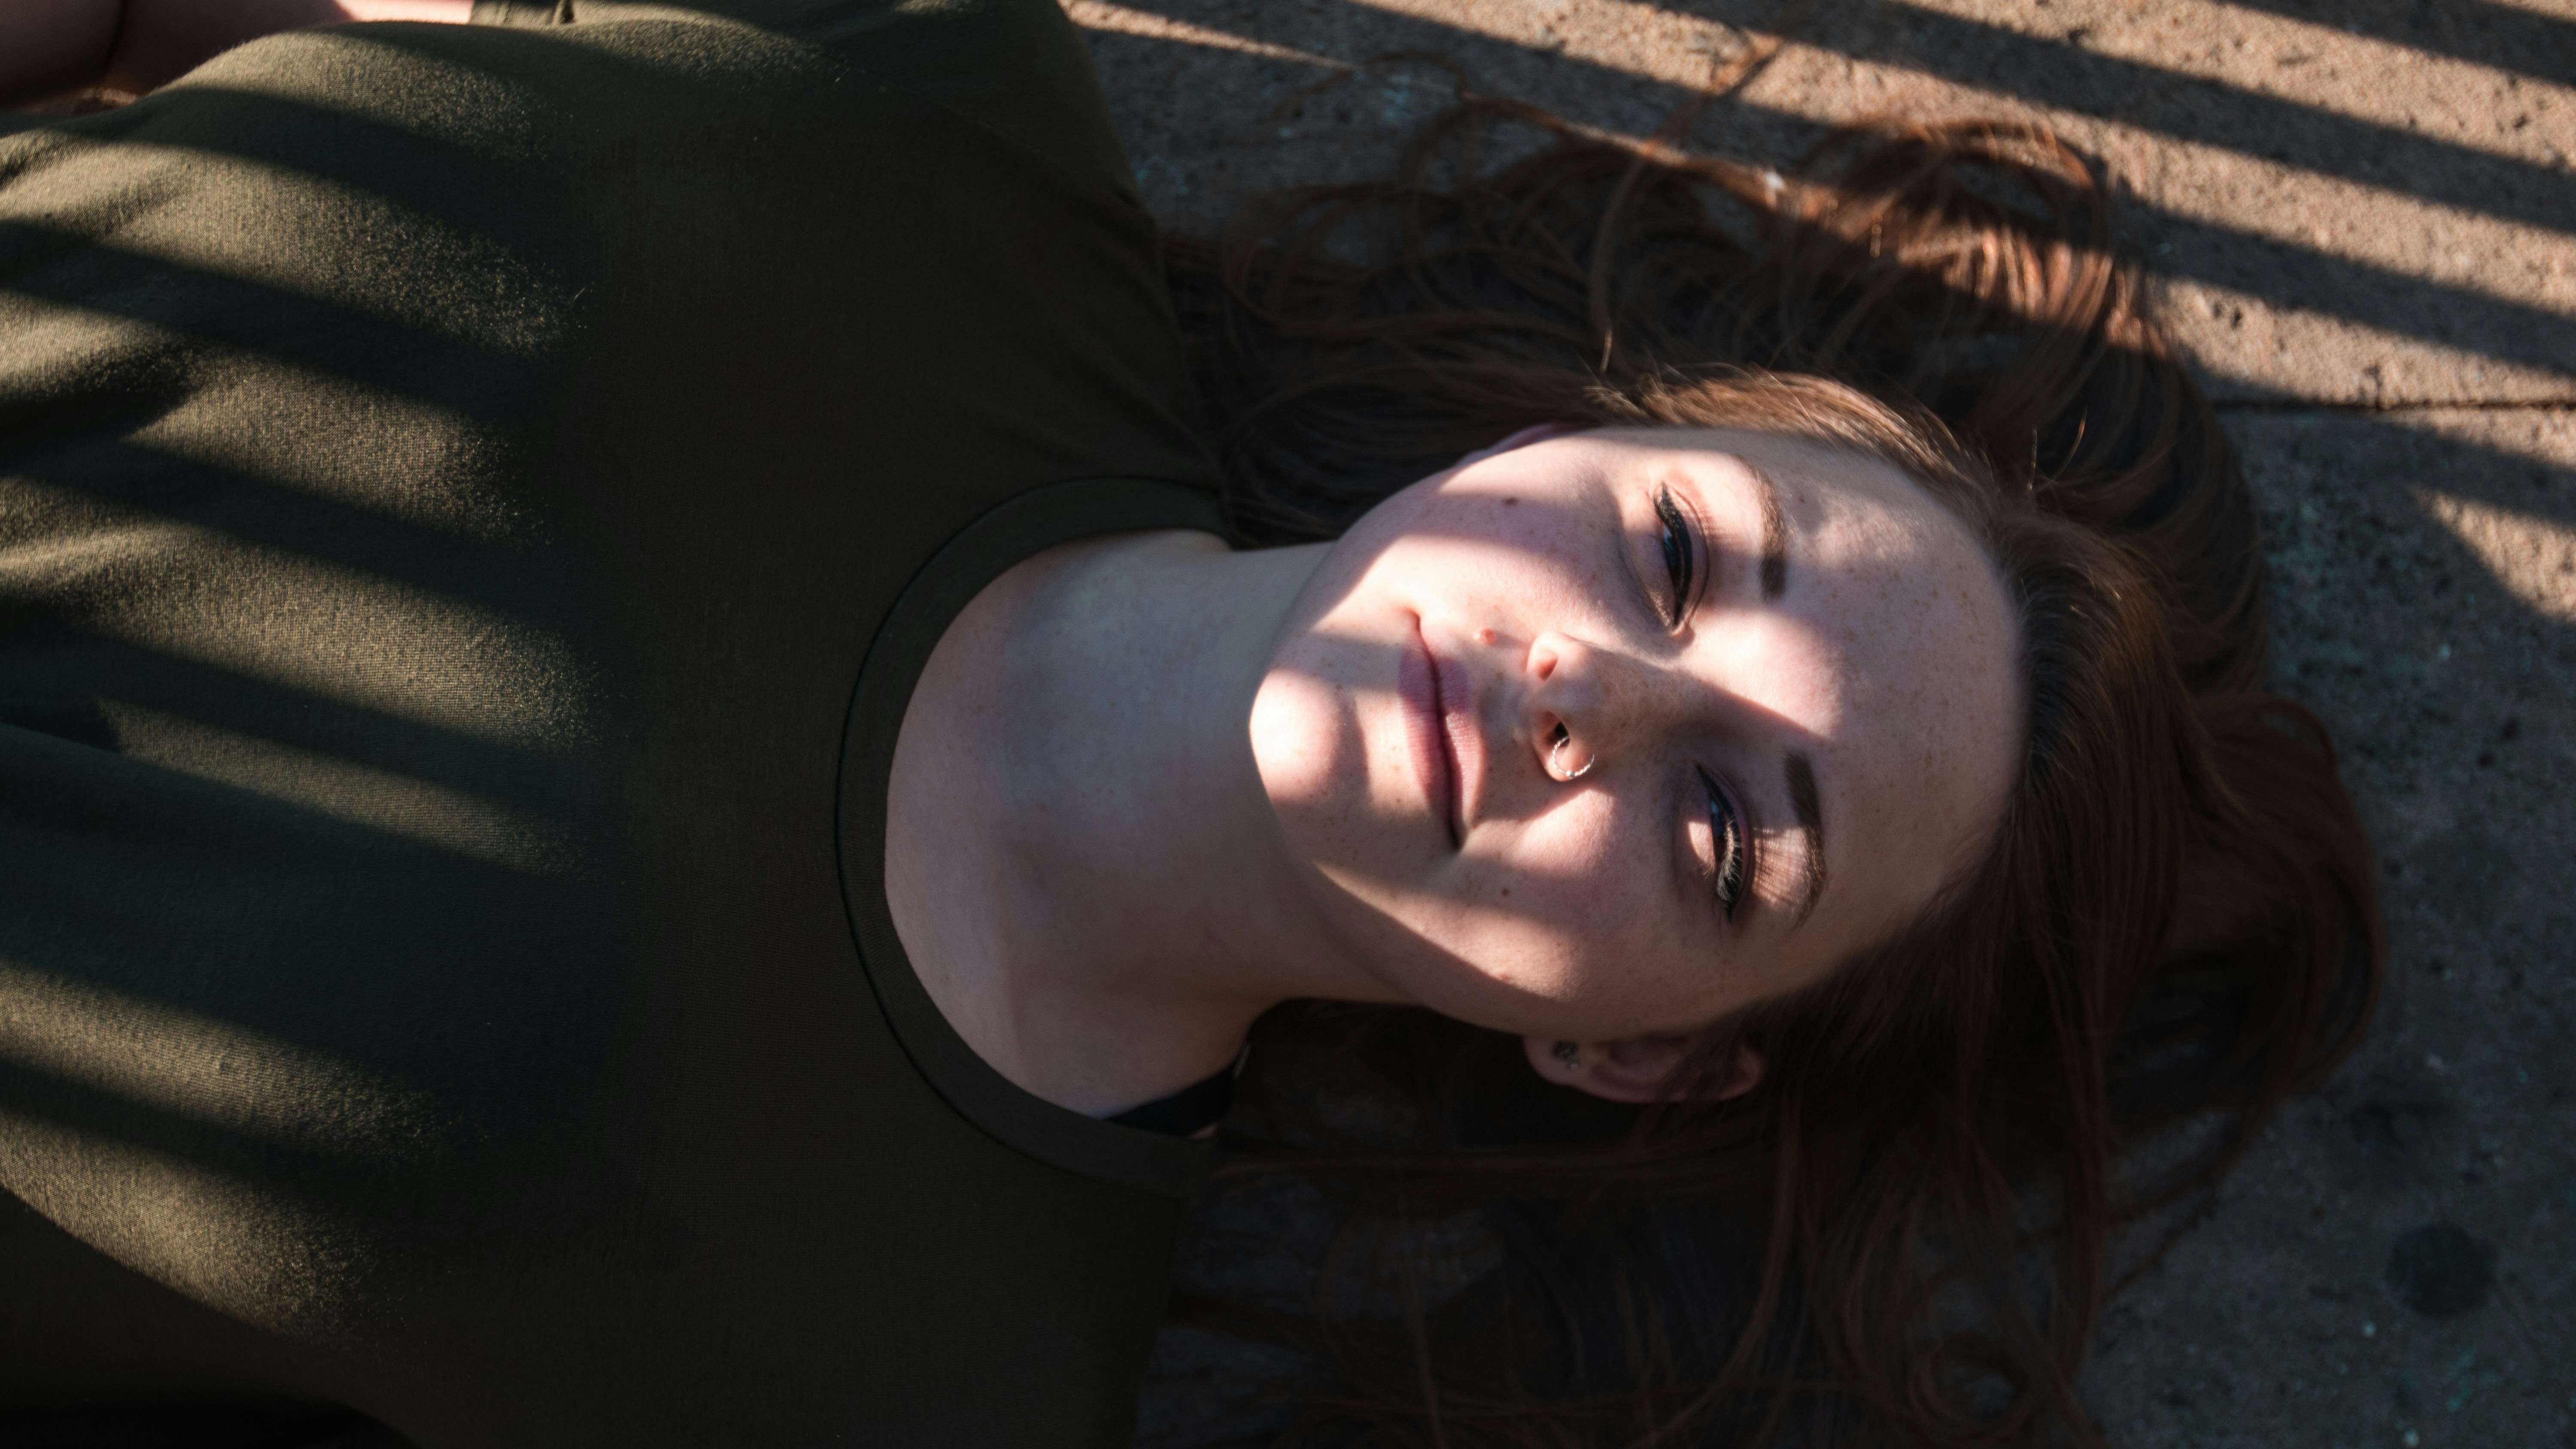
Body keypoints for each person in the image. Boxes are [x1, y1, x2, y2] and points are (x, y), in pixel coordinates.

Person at [0, 6, 2378, 1449]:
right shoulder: (932, 112)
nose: (1593, 695)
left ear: (1647, 1059)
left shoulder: (904, 1392)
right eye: (1673, 557)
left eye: (1733, 830)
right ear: (1574, 435)